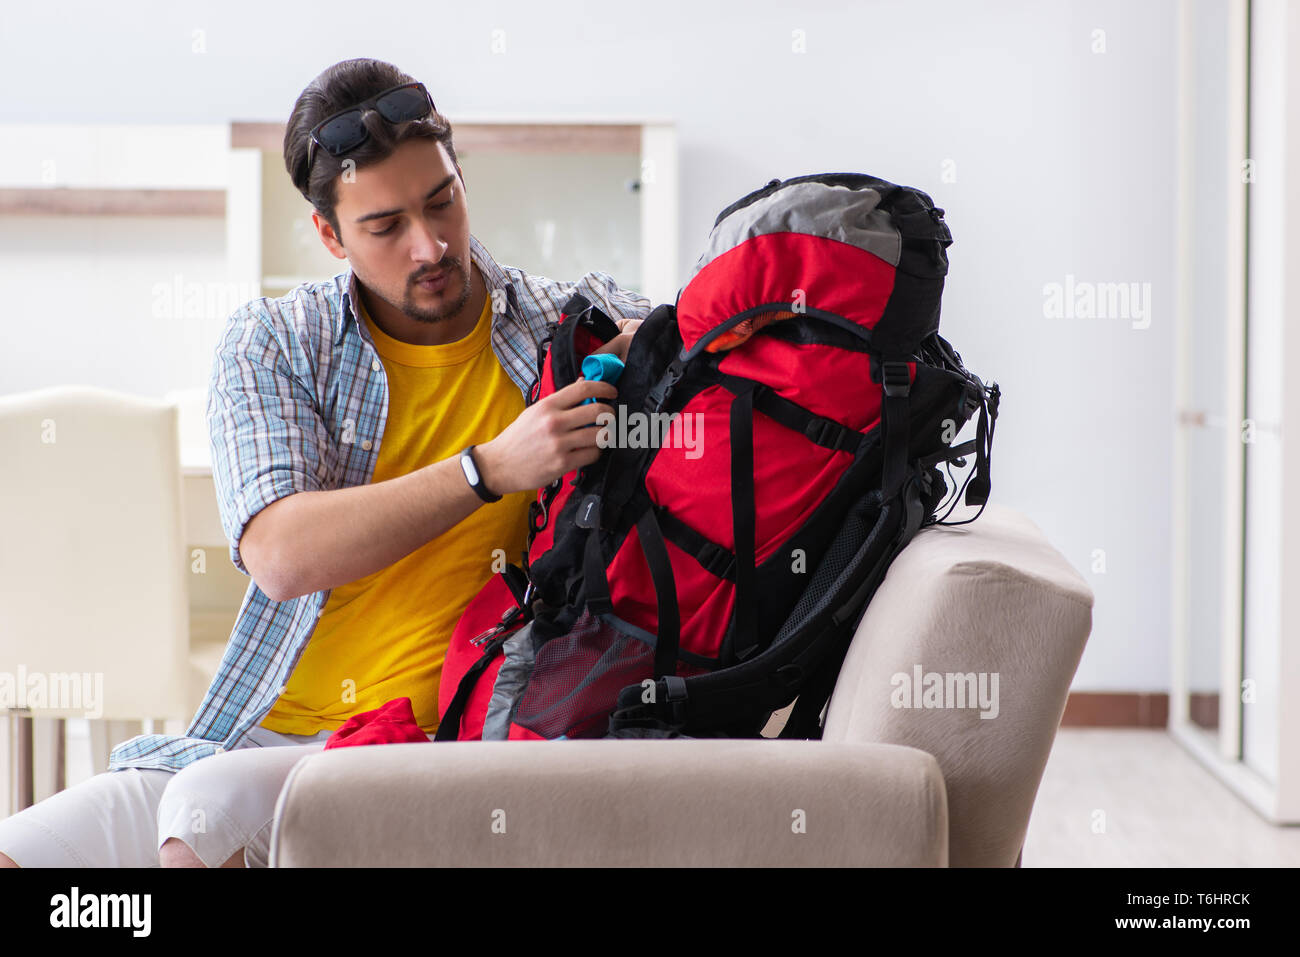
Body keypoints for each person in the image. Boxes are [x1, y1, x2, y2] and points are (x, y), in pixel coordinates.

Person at [0, 57, 649, 868]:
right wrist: (488, 467)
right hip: (255, 731)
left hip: (426, 742)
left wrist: (656, 354)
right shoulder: (275, 343)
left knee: (203, 819)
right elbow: (280, 554)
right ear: (330, 235)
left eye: (442, 200)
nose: (432, 244)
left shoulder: (566, 319)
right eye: (385, 226)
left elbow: (725, 335)